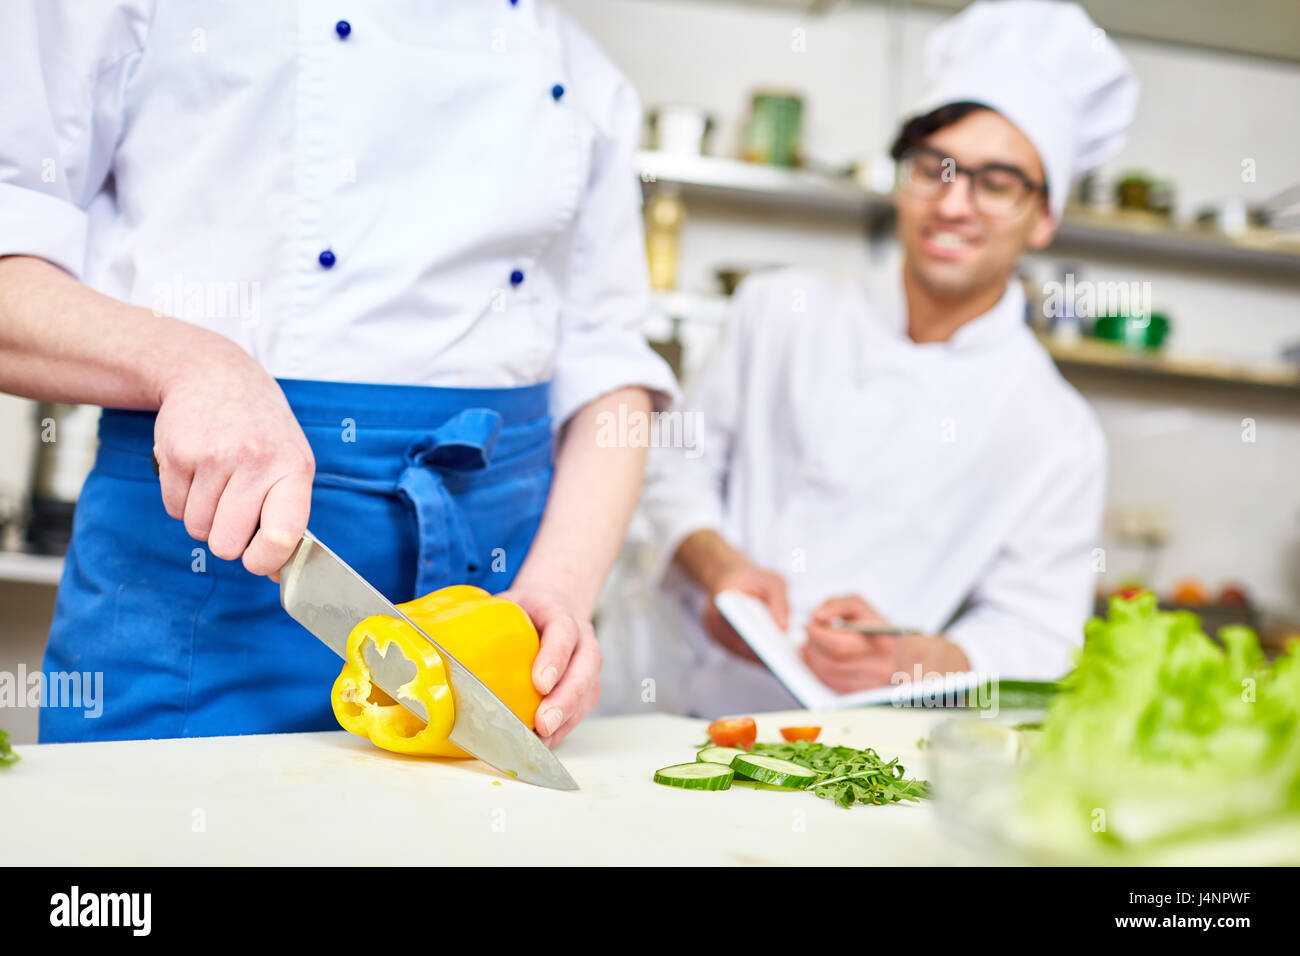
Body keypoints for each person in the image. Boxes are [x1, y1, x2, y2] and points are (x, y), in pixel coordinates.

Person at [0, 1, 676, 744]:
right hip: (208, 579)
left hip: (491, 605)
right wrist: (193, 364)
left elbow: (608, 367)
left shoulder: (585, 75)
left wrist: (560, 589)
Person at [632, 0, 1139, 716]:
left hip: (865, 753)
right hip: (679, 705)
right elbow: (672, 468)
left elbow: (1037, 638)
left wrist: (904, 658)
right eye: (936, 167)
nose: (954, 204)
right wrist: (723, 570)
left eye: (996, 182)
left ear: (1045, 216)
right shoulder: (777, 309)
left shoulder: (1058, 431)